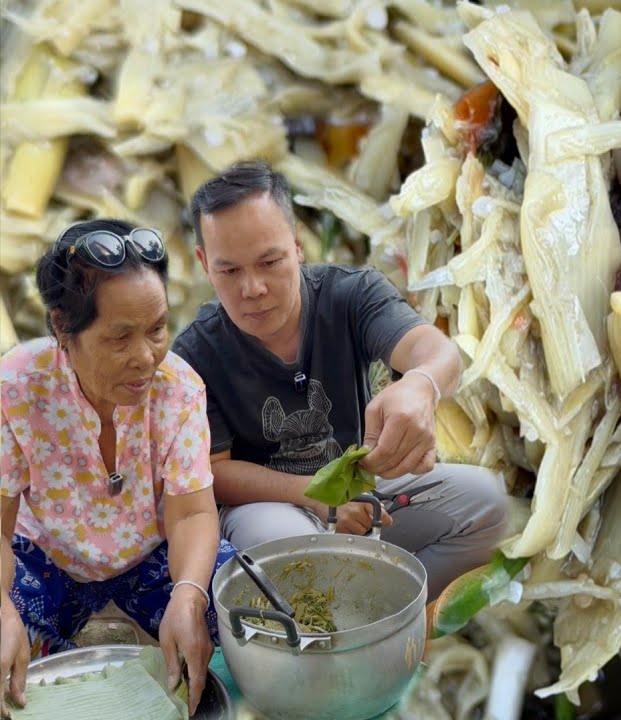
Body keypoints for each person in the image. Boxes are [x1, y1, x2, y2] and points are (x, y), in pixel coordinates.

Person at [170, 161, 508, 601]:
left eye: (269, 261)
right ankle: (352, 622)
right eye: (229, 271)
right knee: (299, 555)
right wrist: (315, 497)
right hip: (270, 509)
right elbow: (213, 472)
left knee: (489, 504)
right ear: (203, 264)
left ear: (297, 246)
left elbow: (436, 350)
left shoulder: (351, 293)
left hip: (360, 487)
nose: (252, 288)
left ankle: (391, 614)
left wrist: (420, 385)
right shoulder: (195, 352)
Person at [1, 220, 235, 714]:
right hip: (46, 557)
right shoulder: (17, 388)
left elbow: (192, 515)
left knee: (240, 617)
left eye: (157, 330)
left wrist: (189, 596)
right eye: (120, 337)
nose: (146, 357)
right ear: (63, 327)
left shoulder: (180, 389)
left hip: (150, 556)